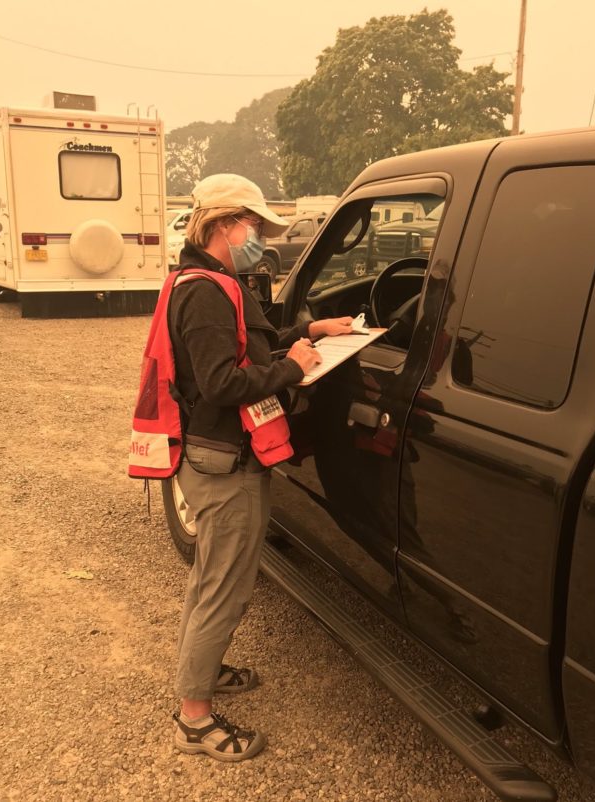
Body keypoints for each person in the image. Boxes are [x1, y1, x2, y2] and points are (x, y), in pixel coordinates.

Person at [169, 173, 353, 762]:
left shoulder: (209, 280)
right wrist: (294, 368)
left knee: (211, 579)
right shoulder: (205, 292)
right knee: (224, 588)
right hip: (226, 462)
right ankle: (194, 719)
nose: (261, 238)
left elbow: (248, 348)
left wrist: (309, 331)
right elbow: (222, 383)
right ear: (225, 225)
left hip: (215, 454)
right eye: (254, 226)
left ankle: (204, 673)